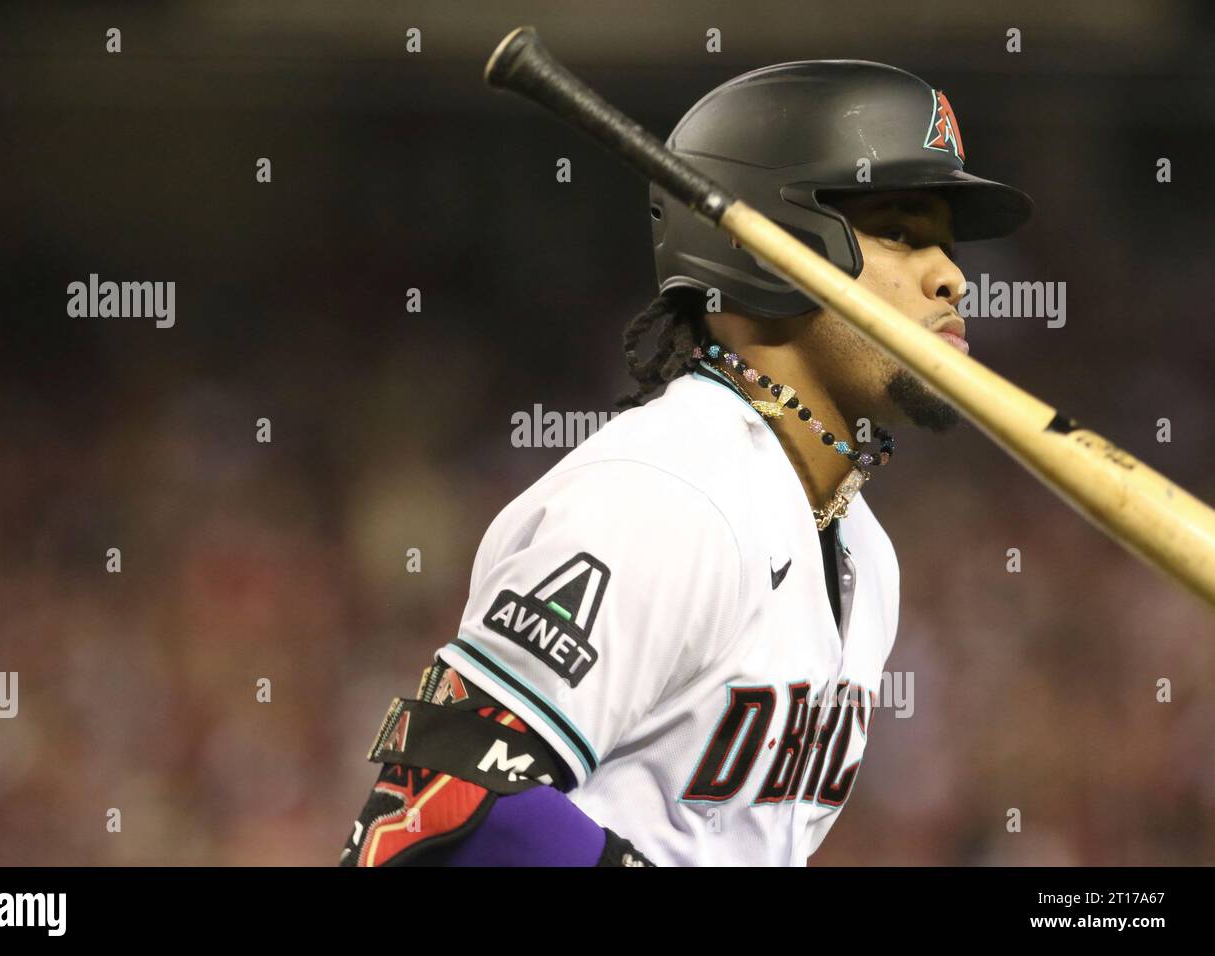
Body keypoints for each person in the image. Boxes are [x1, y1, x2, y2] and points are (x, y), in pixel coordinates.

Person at [340, 59, 1031, 867]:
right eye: (899, 232)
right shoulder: (660, 494)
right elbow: (436, 806)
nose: (951, 275)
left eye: (945, 242)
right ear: (772, 249)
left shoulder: (865, 554)